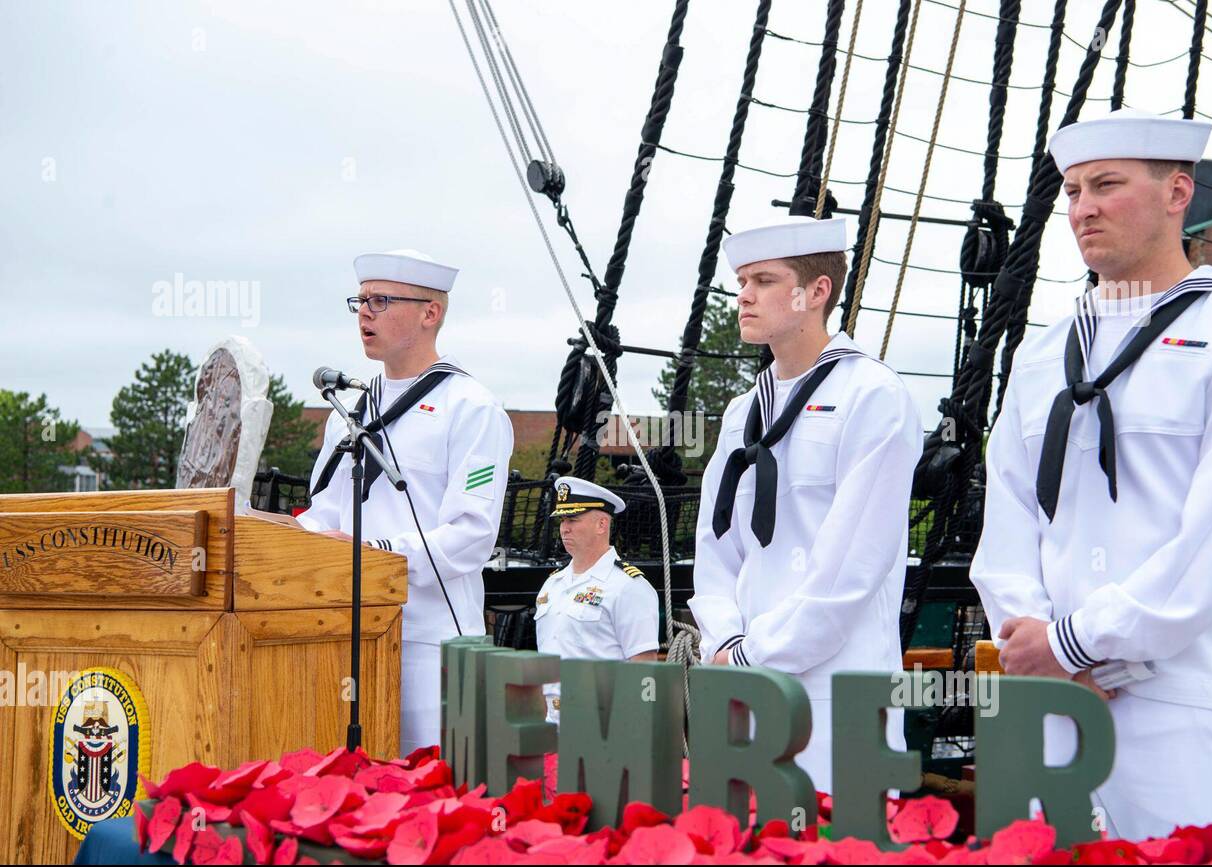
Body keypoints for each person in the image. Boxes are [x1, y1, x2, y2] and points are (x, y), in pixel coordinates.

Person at [970, 109, 1212, 860]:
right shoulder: (1040, 357)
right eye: (1075, 190)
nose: (1083, 207)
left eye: (1108, 185)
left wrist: (1075, 645)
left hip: (1180, 707)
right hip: (1051, 704)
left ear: (1178, 192)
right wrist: (1038, 648)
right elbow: (1010, 520)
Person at [689, 215, 924, 792]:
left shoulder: (873, 396)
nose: (744, 295)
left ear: (817, 291)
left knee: (840, 845)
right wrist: (723, 641)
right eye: (742, 280)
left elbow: (851, 568)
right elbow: (715, 547)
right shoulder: (743, 411)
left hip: (836, 683)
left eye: (764, 280)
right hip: (742, 678)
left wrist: (754, 654)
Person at [297, 248, 514, 755]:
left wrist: (369, 552)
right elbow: (324, 513)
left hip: (430, 639)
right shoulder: (347, 407)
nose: (365, 312)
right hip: (346, 632)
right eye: (361, 301)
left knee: (429, 789)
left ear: (430, 312)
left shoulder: (472, 408)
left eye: (381, 300)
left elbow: (471, 535)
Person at [534, 477, 661, 723]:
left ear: (602, 524)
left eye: (573, 519)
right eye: (562, 520)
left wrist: (638, 729)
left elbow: (644, 669)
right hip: (549, 725)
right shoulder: (552, 584)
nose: (564, 528)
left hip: (602, 726)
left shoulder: (628, 587)